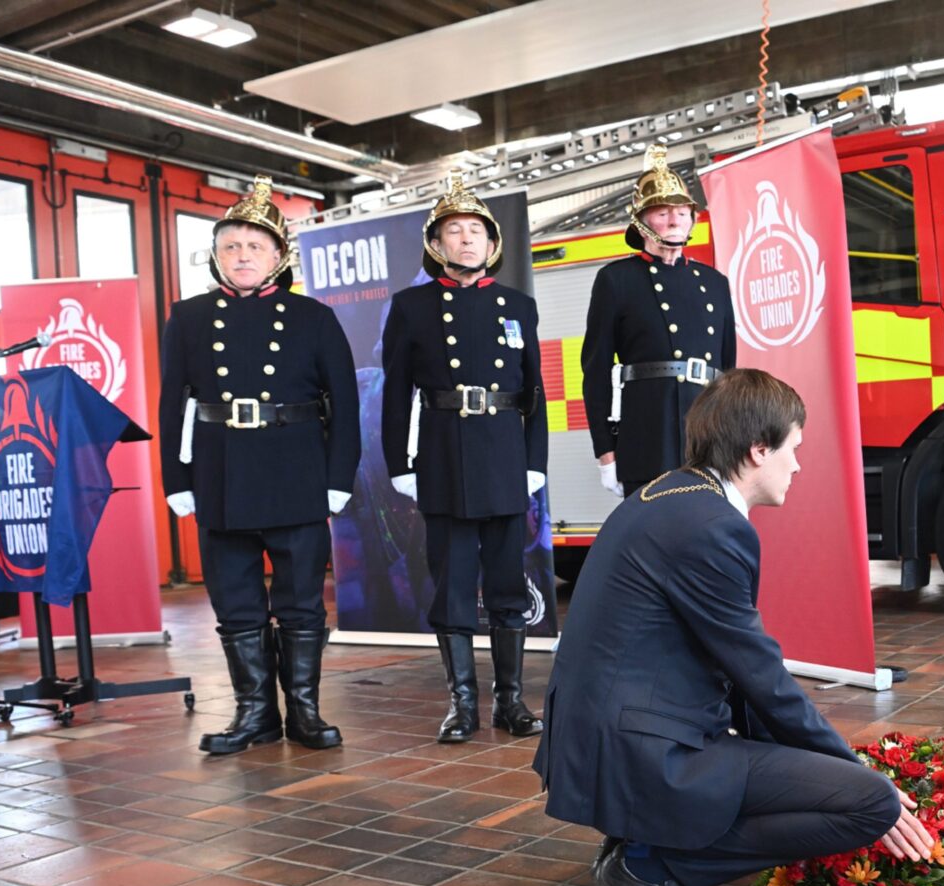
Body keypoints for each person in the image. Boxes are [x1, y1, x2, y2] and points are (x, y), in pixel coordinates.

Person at [534, 369, 934, 886]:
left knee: (818, 773)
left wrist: (811, 760)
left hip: (601, 740)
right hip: (639, 753)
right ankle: (654, 869)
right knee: (869, 806)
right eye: (793, 449)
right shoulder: (714, 528)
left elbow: (735, 670)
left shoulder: (665, 495)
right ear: (758, 450)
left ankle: (640, 844)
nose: (797, 466)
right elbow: (761, 675)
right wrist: (857, 775)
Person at [159, 176, 360, 755]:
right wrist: (178, 479)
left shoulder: (313, 317)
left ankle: (303, 711)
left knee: (300, 599)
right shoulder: (189, 317)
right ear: (217, 257)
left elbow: (343, 404)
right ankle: (254, 714)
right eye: (230, 247)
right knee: (236, 600)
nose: (241, 256)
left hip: (296, 468)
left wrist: (337, 478)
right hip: (221, 472)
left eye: (254, 246)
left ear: (278, 256)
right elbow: (173, 401)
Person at [380, 174, 548, 743]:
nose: (466, 240)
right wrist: (399, 464)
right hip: (443, 453)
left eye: (475, 230)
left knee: (506, 582)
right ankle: (462, 705)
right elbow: (397, 390)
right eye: (455, 231)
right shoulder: (411, 306)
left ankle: (511, 702)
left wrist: (535, 461)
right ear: (438, 244)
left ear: (491, 242)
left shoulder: (517, 305)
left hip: (502, 452)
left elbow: (535, 391)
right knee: (452, 585)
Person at [582, 143, 737, 498]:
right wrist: (605, 452)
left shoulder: (715, 283)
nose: (673, 220)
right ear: (641, 219)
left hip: (707, 439)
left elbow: (728, 373)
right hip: (646, 434)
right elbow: (596, 371)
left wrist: (732, 443)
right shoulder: (616, 279)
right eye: (662, 212)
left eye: (682, 212)